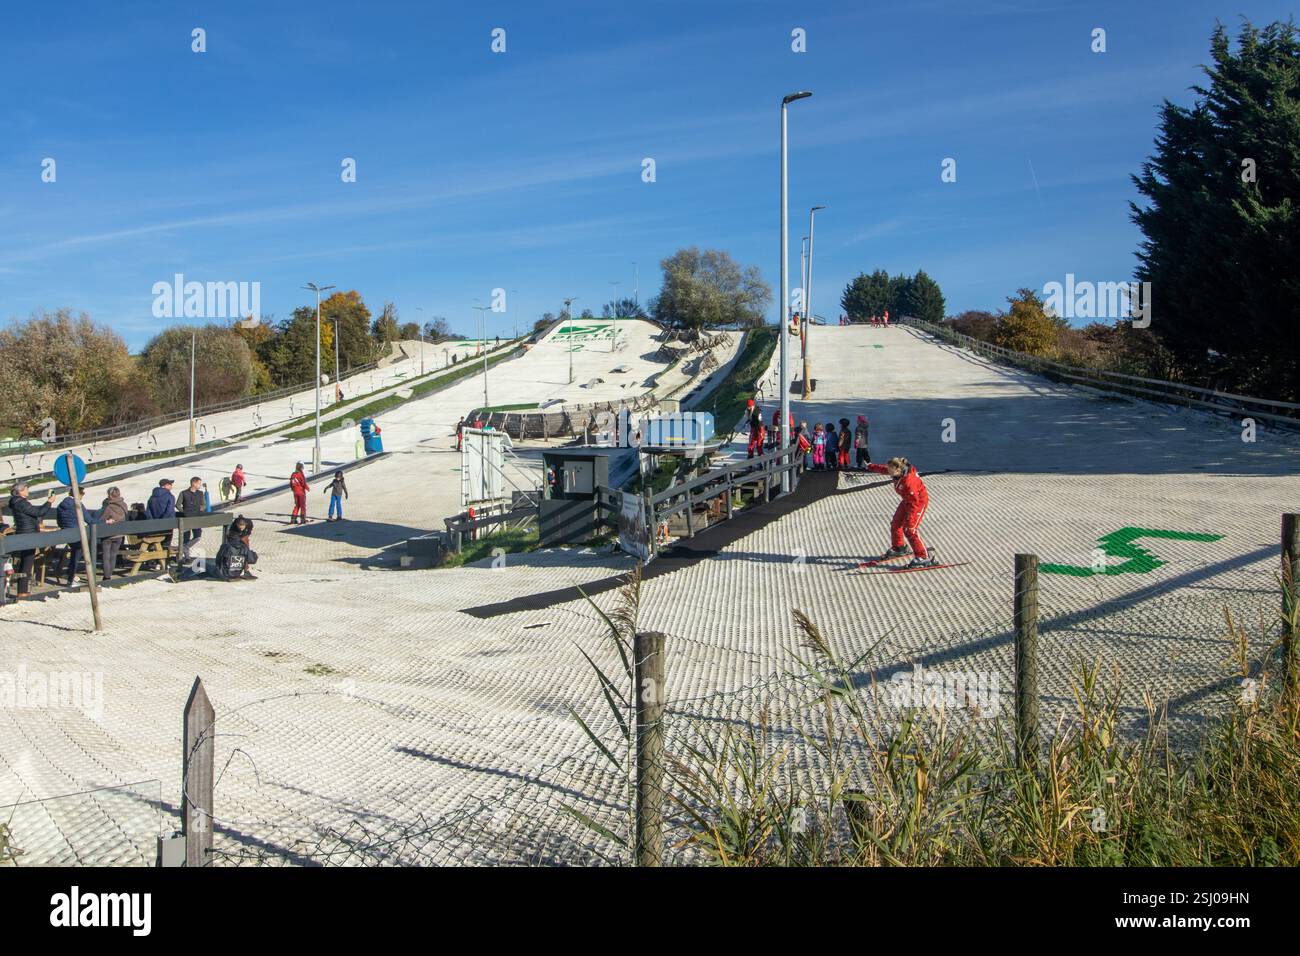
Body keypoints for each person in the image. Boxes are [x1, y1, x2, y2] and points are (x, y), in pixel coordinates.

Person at [865, 457, 935, 568]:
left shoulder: (908, 482)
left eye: (891, 469)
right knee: (896, 524)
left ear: (898, 469)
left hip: (917, 503)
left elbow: (914, 503)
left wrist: (910, 519)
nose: (888, 471)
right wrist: (870, 466)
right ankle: (899, 547)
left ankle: (923, 557)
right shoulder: (897, 472)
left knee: (910, 530)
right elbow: (883, 469)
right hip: (907, 501)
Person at [6, 482, 56, 598]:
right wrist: (49, 502)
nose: (28, 490)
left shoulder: (17, 502)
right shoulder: (21, 503)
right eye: (26, 489)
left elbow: (34, 511)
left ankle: (22, 589)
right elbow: (39, 512)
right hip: (28, 535)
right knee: (27, 563)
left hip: (24, 533)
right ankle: (22, 591)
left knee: (25, 562)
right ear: (21, 491)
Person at [56, 486, 99, 586]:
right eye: (82, 494)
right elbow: (90, 521)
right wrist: (105, 522)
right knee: (77, 555)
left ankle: (70, 575)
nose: (83, 496)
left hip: (66, 533)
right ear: (78, 494)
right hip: (77, 534)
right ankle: (71, 578)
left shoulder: (61, 505)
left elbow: (59, 521)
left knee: (74, 554)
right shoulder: (77, 504)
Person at [213, 516, 258, 581]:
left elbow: (250, 530)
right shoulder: (234, 526)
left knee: (245, 550)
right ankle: (231, 568)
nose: (241, 529)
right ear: (237, 525)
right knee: (234, 551)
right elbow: (230, 535)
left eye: (243, 527)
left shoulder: (249, 523)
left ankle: (246, 569)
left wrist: (246, 535)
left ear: (245, 525)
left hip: (244, 536)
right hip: (234, 535)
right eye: (240, 527)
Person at [98, 486, 128, 580]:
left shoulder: (109, 507)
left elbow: (101, 520)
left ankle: (107, 576)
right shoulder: (124, 505)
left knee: (106, 555)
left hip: (108, 534)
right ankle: (110, 573)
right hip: (119, 533)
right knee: (113, 554)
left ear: (110, 495)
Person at [146, 478, 177, 554]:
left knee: (155, 541)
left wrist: (152, 520)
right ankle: (164, 560)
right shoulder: (170, 496)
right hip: (167, 523)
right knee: (166, 543)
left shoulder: (152, 497)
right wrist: (163, 520)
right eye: (170, 484)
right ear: (165, 485)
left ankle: (154, 559)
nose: (171, 486)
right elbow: (169, 510)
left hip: (154, 524)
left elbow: (148, 511)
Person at [178, 476, 205, 559]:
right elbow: (178, 505)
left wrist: (200, 509)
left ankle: (184, 547)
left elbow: (204, 504)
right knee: (186, 537)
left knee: (198, 536)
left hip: (197, 517)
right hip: (186, 518)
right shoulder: (183, 493)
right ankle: (187, 557)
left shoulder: (200, 493)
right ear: (194, 483)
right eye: (199, 483)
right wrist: (184, 512)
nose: (200, 485)